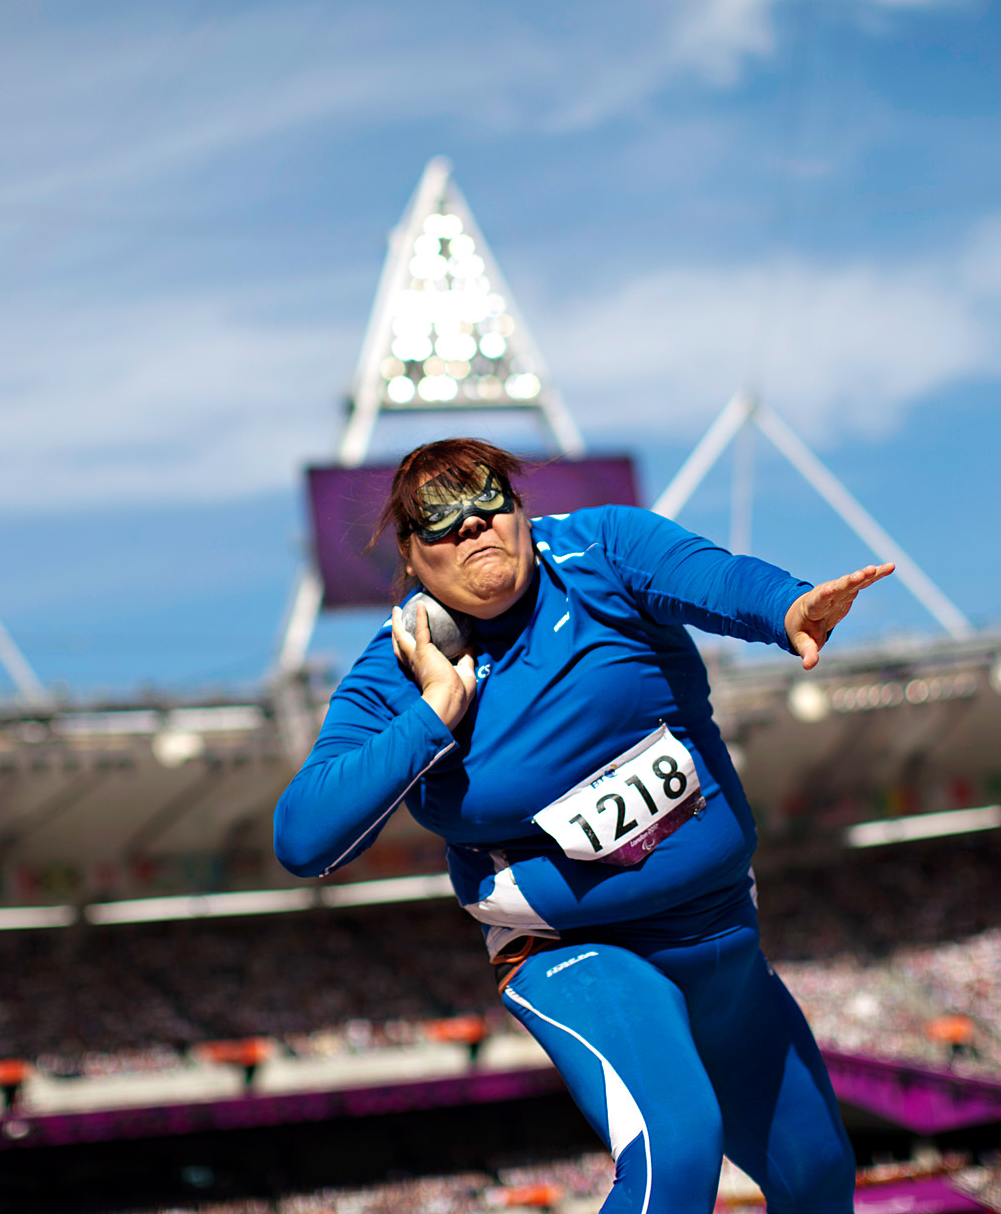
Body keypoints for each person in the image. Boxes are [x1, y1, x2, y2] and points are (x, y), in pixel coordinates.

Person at [275, 439, 892, 1214]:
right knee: (677, 1152)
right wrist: (436, 712)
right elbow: (303, 838)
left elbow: (715, 577)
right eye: (439, 517)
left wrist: (788, 607)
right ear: (409, 555)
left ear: (520, 509)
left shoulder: (603, 551)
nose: (471, 525)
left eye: (487, 498)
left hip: (724, 933)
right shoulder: (396, 672)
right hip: (578, 953)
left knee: (820, 1176)